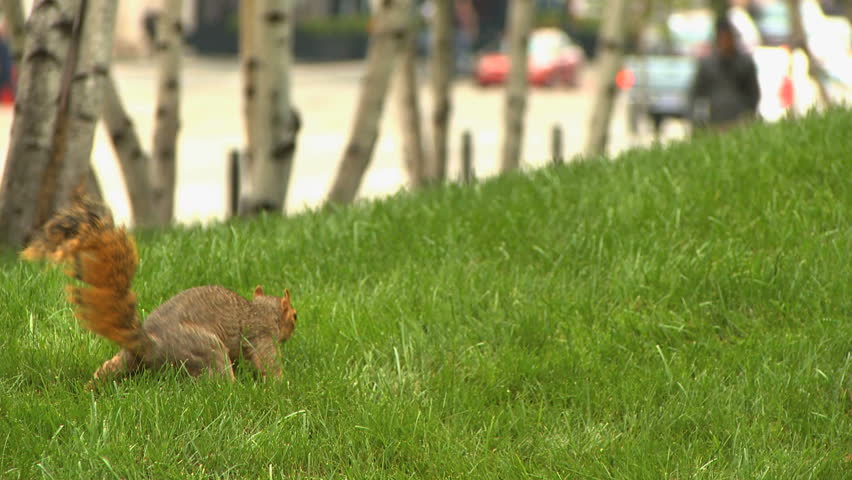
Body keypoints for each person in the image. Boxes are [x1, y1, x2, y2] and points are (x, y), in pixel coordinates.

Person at [689, 15, 761, 131]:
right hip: (715, 120)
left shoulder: (745, 63)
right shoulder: (707, 64)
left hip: (738, 120)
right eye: (723, 38)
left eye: (728, 38)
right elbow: (696, 94)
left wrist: (749, 115)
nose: (726, 42)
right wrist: (697, 120)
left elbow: (754, 93)